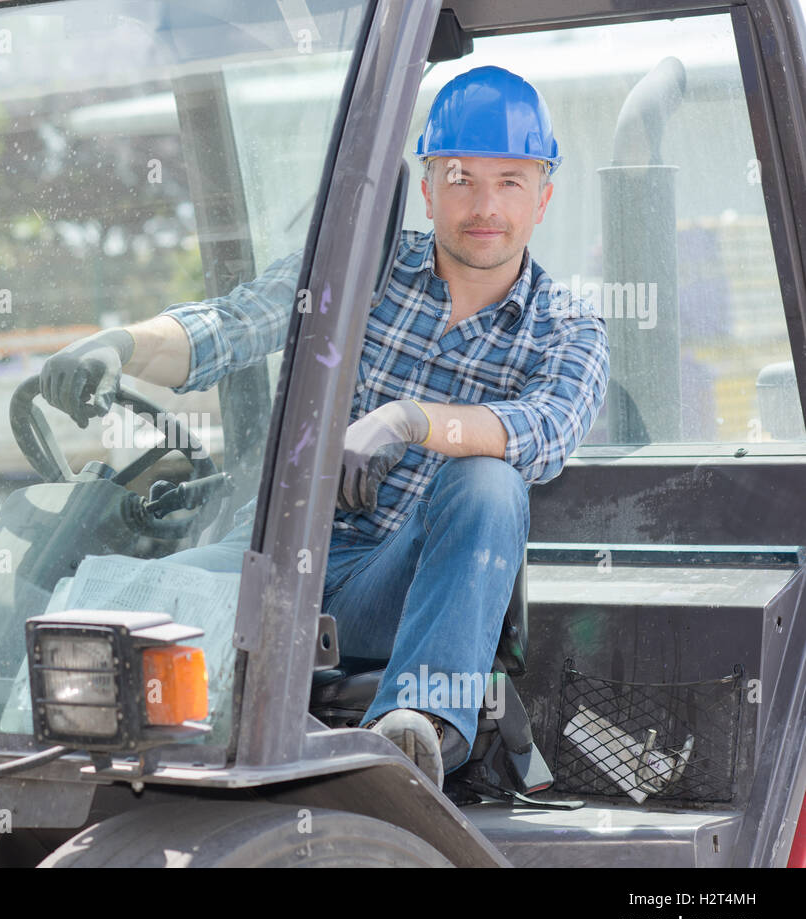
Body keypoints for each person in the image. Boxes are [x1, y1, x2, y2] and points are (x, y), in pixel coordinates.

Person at [37, 66, 609, 787]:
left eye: (510, 181)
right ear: (427, 186)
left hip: (396, 587)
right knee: (100, 616)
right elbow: (237, 321)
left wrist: (404, 421)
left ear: (544, 195)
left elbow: (546, 429)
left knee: (489, 483)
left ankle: (418, 728)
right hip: (279, 561)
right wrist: (119, 347)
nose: (484, 203)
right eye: (461, 178)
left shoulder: (569, 328)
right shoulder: (359, 267)